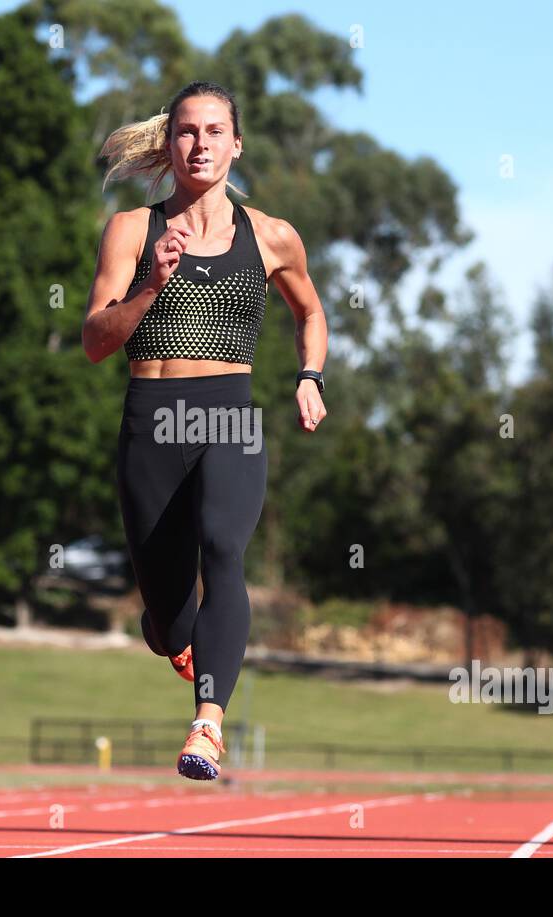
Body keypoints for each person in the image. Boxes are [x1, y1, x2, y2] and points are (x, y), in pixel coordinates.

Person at [83, 81, 328, 780]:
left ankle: (207, 723)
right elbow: (96, 342)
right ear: (170, 143)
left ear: (236, 144)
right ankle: (171, 631)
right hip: (149, 422)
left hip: (228, 412)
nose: (200, 144)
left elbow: (310, 313)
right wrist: (150, 287)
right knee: (167, 617)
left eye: (215, 131)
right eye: (187, 132)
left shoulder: (271, 235)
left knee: (224, 549)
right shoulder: (133, 229)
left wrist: (310, 377)